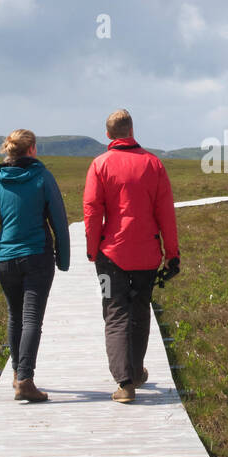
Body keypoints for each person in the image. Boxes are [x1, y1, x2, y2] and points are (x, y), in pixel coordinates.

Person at [82, 109, 179, 403]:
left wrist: (91, 248)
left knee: (114, 313)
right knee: (139, 311)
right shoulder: (154, 164)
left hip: (110, 256)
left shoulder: (99, 164)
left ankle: (125, 382)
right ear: (132, 130)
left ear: (108, 134)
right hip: (148, 255)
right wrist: (171, 254)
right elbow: (166, 214)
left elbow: (91, 210)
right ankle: (135, 370)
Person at [0, 129, 71, 402]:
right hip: (37, 257)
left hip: (6, 259)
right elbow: (59, 219)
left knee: (15, 316)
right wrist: (63, 258)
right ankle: (25, 380)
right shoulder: (42, 176)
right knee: (31, 319)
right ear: (31, 150)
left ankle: (19, 375)